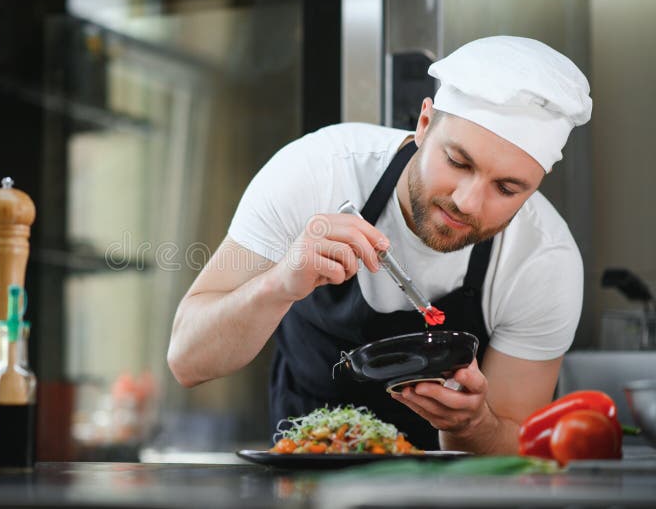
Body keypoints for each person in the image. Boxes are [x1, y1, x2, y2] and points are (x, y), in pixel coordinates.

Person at [167, 36, 592, 454]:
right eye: (458, 162)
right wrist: (279, 284)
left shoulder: (542, 259)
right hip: (302, 475)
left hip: (447, 488)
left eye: (507, 188)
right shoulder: (318, 172)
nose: (467, 202)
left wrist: (473, 424)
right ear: (424, 124)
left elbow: (515, 449)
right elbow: (188, 360)